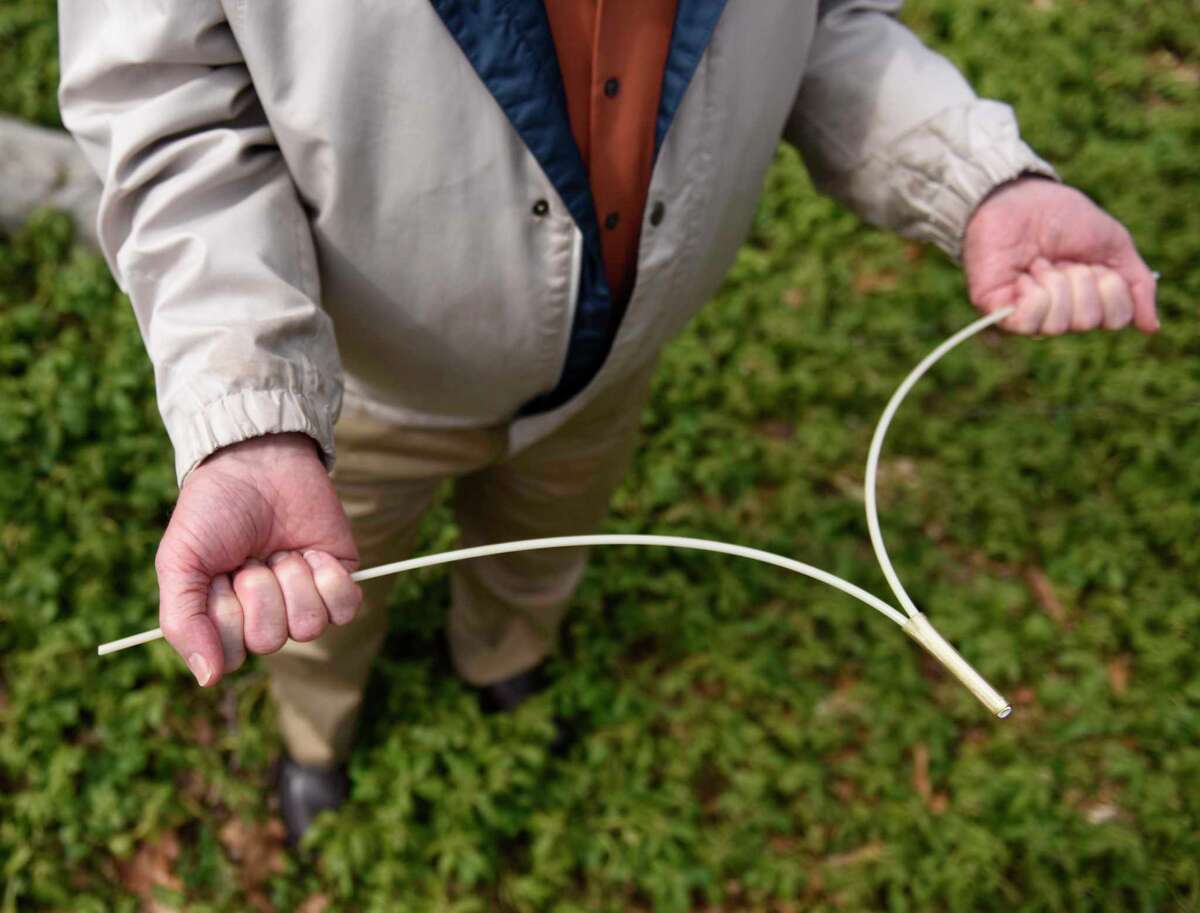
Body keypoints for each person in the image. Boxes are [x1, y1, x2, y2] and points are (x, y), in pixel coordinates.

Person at [57, 1, 1158, 844]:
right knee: (326, 597)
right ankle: (319, 729)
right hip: (353, 396)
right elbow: (173, 108)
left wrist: (978, 180)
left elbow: (831, 23)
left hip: (610, 363)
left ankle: (507, 656)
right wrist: (256, 420)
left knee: (551, 529)